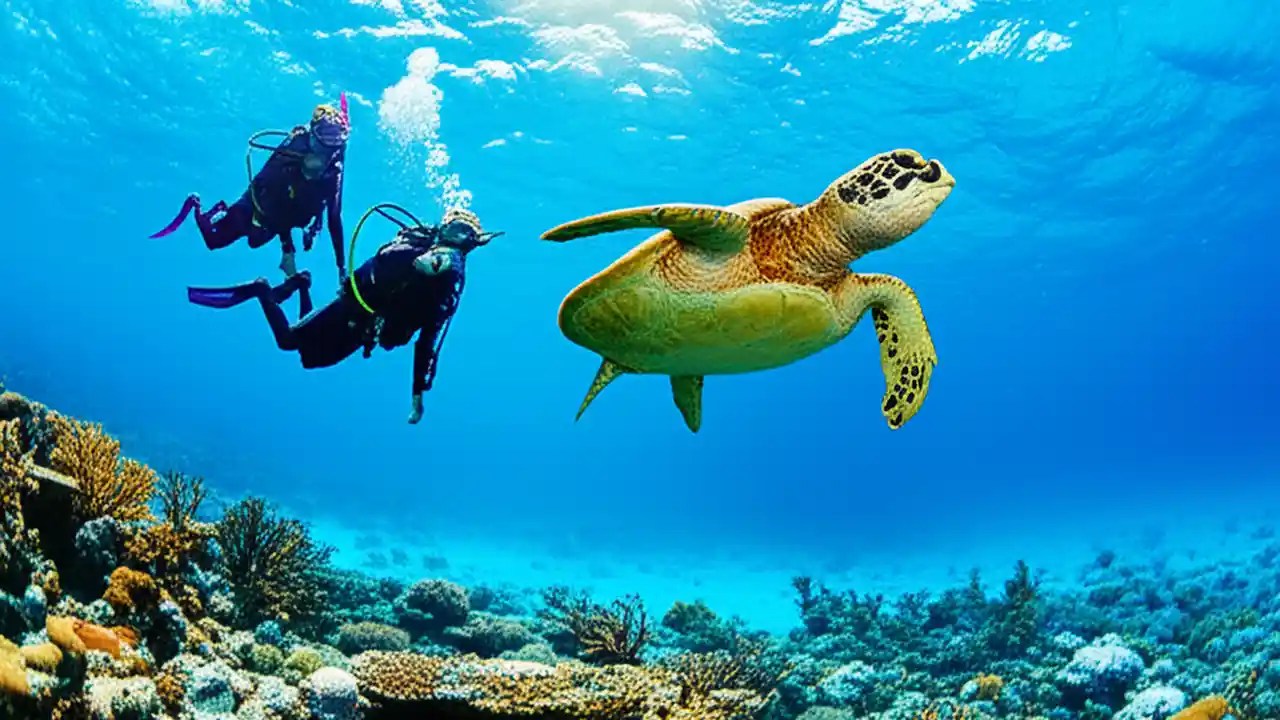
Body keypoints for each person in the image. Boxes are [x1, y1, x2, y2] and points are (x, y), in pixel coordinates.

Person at [186, 206, 500, 424]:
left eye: (464, 233)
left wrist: (418, 393)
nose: (455, 236)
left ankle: (301, 283)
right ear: (445, 227)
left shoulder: (448, 287)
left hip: (364, 326)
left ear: (472, 244)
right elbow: (418, 267)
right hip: (351, 307)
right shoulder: (421, 249)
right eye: (454, 227)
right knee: (288, 341)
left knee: (310, 359)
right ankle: (260, 288)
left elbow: (428, 342)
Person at [150, 97, 351, 281]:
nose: (327, 154)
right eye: (323, 146)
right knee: (215, 241)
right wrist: (287, 247)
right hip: (258, 205)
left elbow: (334, 215)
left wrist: (342, 269)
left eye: (333, 147)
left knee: (256, 240)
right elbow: (267, 187)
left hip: (284, 216)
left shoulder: (335, 165)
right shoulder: (295, 146)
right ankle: (199, 206)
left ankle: (280, 242)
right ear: (313, 137)